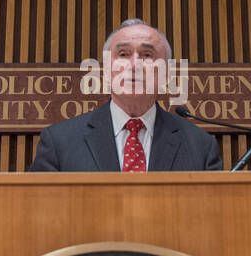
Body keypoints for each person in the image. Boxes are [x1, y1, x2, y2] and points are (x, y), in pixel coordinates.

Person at [28, 18, 222, 172]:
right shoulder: (59, 142)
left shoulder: (201, 147)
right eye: (123, 54)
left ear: (167, 73)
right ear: (105, 69)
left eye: (147, 55)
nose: (134, 64)